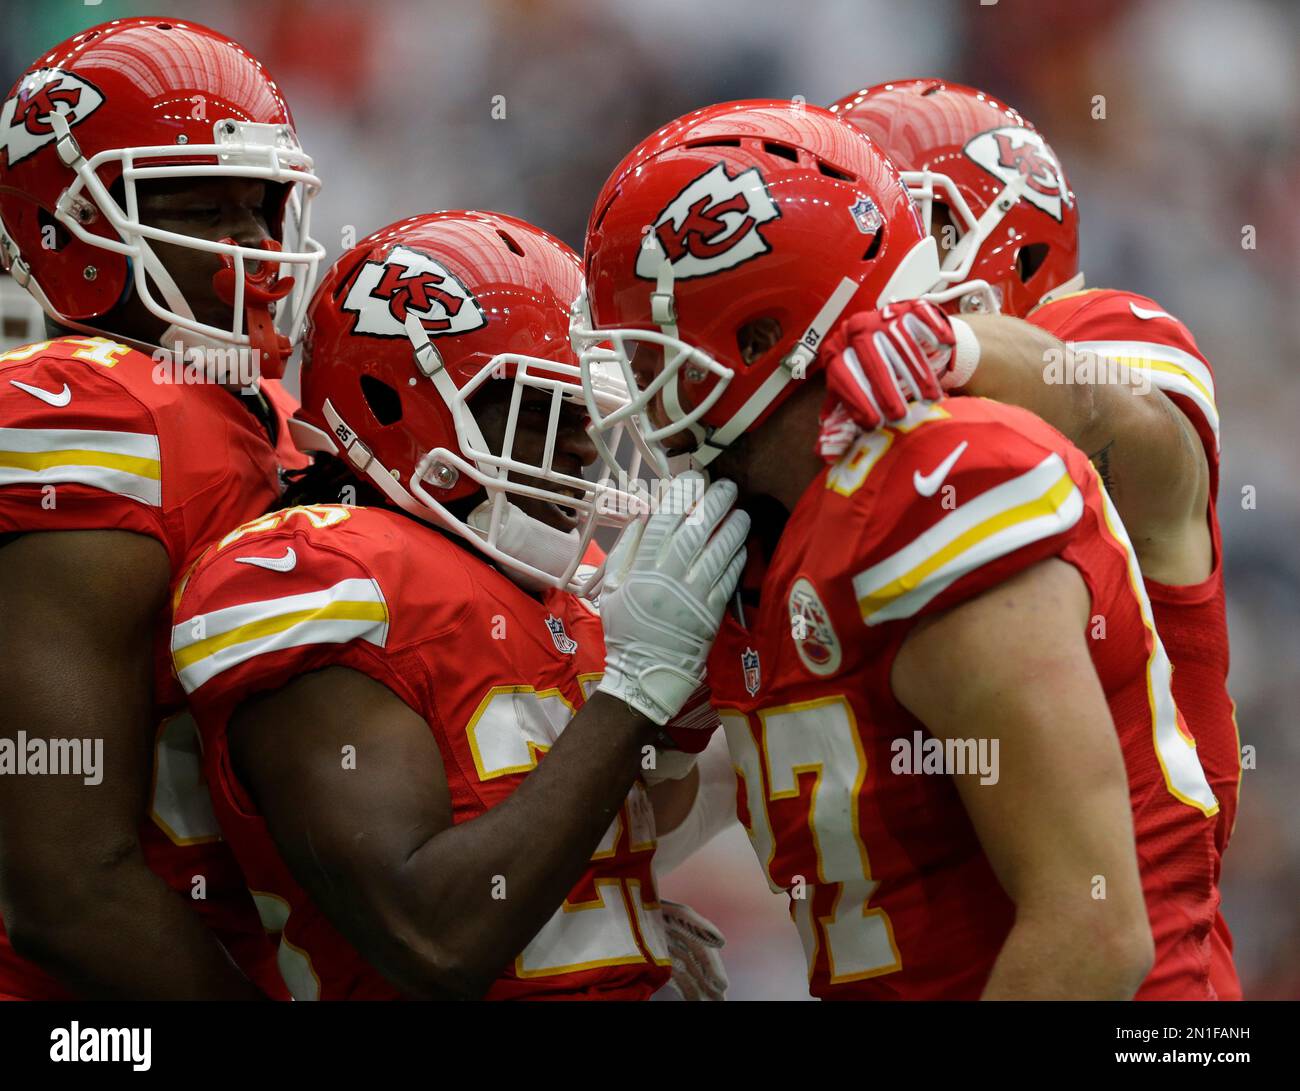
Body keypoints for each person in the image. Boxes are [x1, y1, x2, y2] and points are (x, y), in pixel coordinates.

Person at [573, 99, 1220, 999]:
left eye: (649, 352)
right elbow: (711, 788)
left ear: (759, 333)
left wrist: (960, 345)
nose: (632, 391)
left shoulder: (953, 469)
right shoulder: (759, 526)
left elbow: (1095, 934)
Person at [169, 211, 748, 999]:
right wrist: (634, 692)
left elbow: (576, 822)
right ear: (392, 398)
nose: (582, 446)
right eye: (541, 410)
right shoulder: (317, 574)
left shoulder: (546, 579)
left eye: (587, 412)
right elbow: (433, 935)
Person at [823, 78, 1238, 998]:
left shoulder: (1090, 337)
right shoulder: (858, 471)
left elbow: (1130, 428)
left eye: (893, 230)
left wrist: (957, 349)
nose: (860, 268)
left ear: (1006, 230)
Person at [0, 17, 323, 998]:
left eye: (261, 208)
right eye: (195, 207)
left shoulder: (270, 413)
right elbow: (68, 891)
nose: (250, 246)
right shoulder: (90, 414)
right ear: (64, 225)